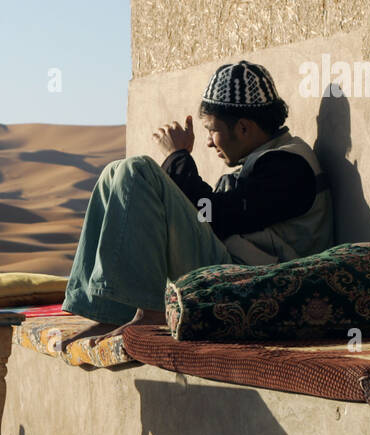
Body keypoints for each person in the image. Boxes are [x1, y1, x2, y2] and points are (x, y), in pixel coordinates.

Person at [63, 61, 333, 345]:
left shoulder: (290, 167)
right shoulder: (269, 162)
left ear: (243, 128)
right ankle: (113, 313)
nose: (208, 142)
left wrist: (177, 158)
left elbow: (217, 217)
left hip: (259, 286)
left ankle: (151, 313)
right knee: (113, 173)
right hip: (237, 274)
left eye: (211, 130)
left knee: (138, 170)